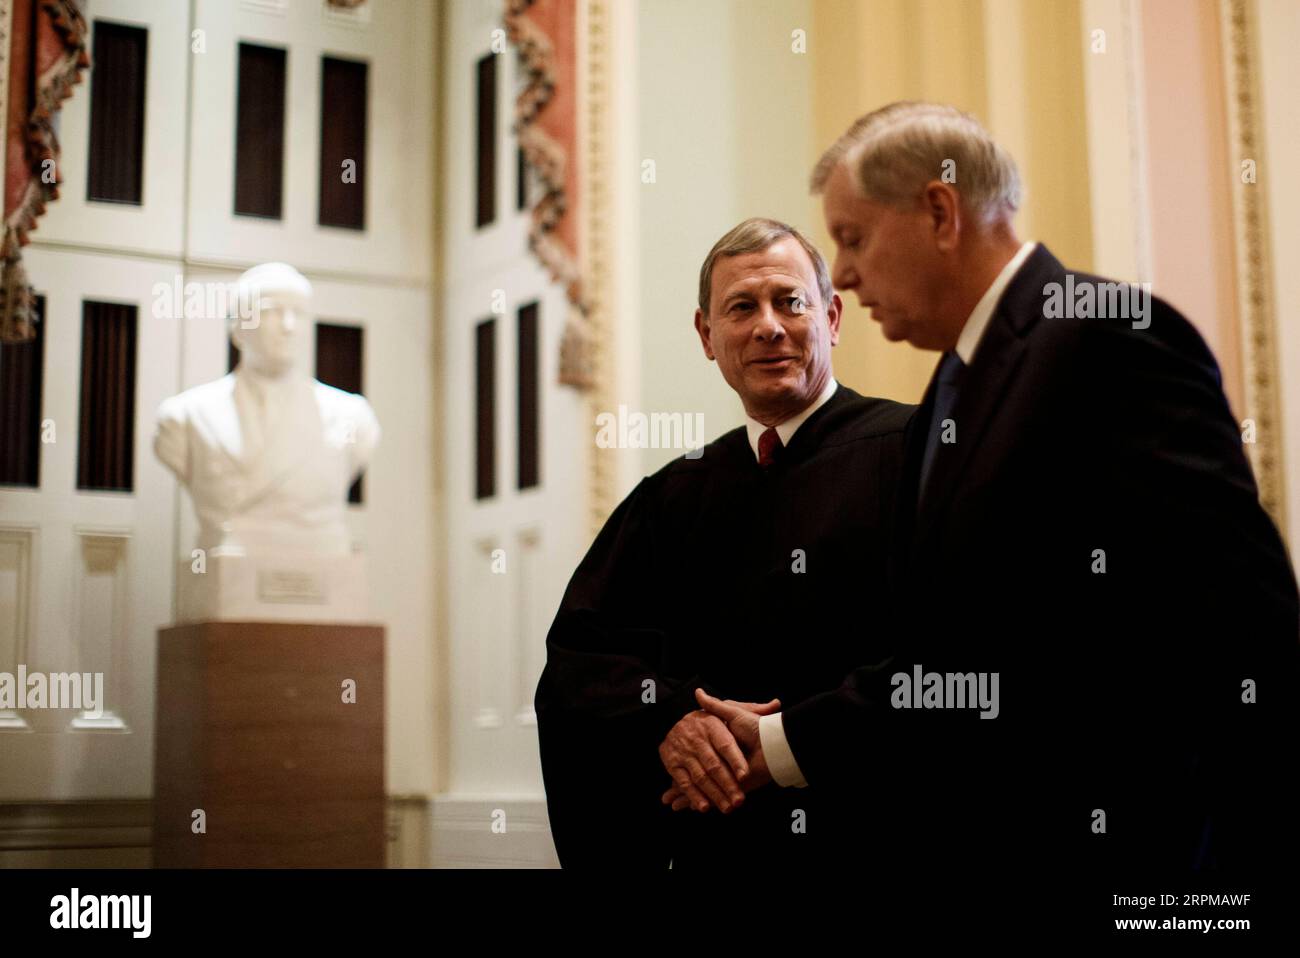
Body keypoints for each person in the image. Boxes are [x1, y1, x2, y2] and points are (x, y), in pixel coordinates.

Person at [695, 103, 1300, 879]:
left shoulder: (1108, 338)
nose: (841, 273)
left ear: (940, 211)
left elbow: (1237, 625)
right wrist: (786, 741)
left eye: (853, 238)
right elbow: (962, 646)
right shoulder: (954, 385)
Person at [534, 217, 914, 868]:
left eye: (789, 301)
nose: (768, 325)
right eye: (742, 307)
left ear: (832, 317)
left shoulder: (913, 454)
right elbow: (581, 663)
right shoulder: (674, 496)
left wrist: (795, 742)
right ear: (707, 337)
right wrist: (669, 720)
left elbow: (963, 650)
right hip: (720, 844)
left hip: (875, 832)